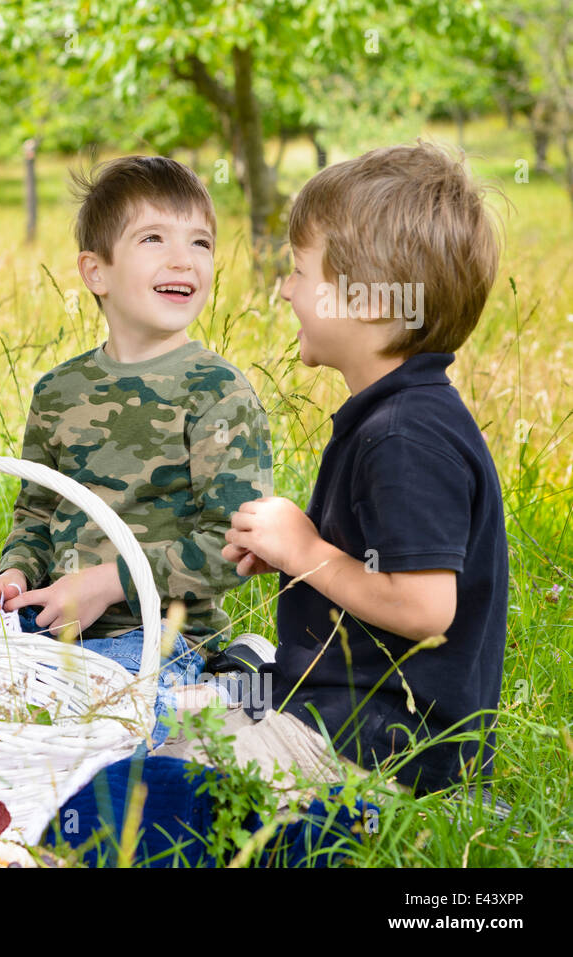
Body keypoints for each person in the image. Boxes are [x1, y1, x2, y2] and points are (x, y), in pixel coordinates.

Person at [156, 141, 507, 799]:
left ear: (371, 301)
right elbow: (379, 563)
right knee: (200, 702)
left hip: (385, 752)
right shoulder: (402, 414)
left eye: (299, 271)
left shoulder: (406, 436)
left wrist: (309, 550)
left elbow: (427, 608)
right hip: (353, 719)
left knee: (159, 756)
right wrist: (293, 555)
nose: (285, 288)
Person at [0, 156, 273, 705]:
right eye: (154, 238)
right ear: (96, 272)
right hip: (52, 628)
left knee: (97, 725)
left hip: (163, 639)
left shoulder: (217, 391)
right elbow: (37, 514)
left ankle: (229, 685)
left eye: (201, 243)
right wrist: (15, 574)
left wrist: (105, 583)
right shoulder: (58, 392)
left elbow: (234, 544)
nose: (183, 260)